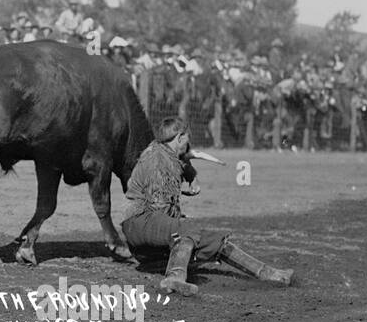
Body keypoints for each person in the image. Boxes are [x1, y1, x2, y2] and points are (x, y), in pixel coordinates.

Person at [120, 117, 294, 296]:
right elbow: (160, 205)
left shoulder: (166, 155)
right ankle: (175, 278)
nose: (189, 144)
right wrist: (181, 221)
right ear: (180, 137)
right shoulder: (157, 159)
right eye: (187, 138)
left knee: (213, 240)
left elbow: (181, 166)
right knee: (188, 228)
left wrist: (191, 175)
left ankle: (269, 274)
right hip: (139, 222)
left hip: (147, 228)